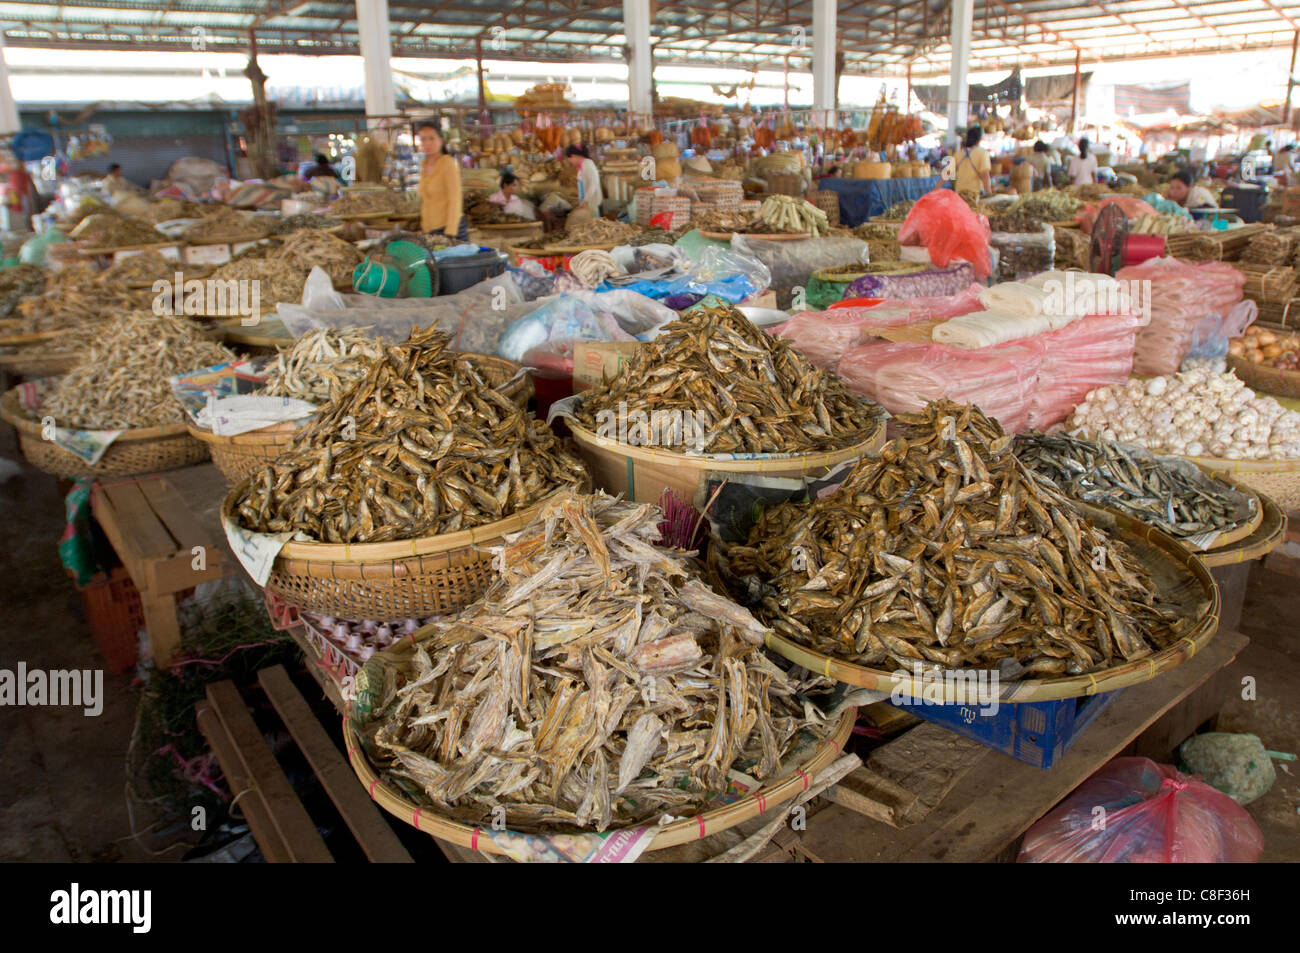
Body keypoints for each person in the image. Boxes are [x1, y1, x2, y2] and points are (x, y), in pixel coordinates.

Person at [416, 121, 466, 241]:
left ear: (441, 140)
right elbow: (426, 202)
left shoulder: (447, 163)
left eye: (432, 138)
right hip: (431, 230)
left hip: (449, 229)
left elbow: (455, 199)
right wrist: (425, 228)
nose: (427, 143)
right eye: (423, 139)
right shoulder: (424, 165)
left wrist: (450, 233)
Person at [565, 144, 603, 225]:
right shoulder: (581, 166)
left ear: (574, 156)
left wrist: (586, 200)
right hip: (586, 205)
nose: (570, 162)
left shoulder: (588, 164)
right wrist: (580, 201)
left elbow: (593, 184)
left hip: (592, 205)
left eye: (570, 159)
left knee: (594, 228)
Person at [952, 125, 991, 200]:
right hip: (974, 195)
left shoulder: (958, 153)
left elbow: (947, 172)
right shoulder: (982, 153)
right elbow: (985, 175)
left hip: (959, 193)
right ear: (979, 139)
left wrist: (935, 189)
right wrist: (989, 193)